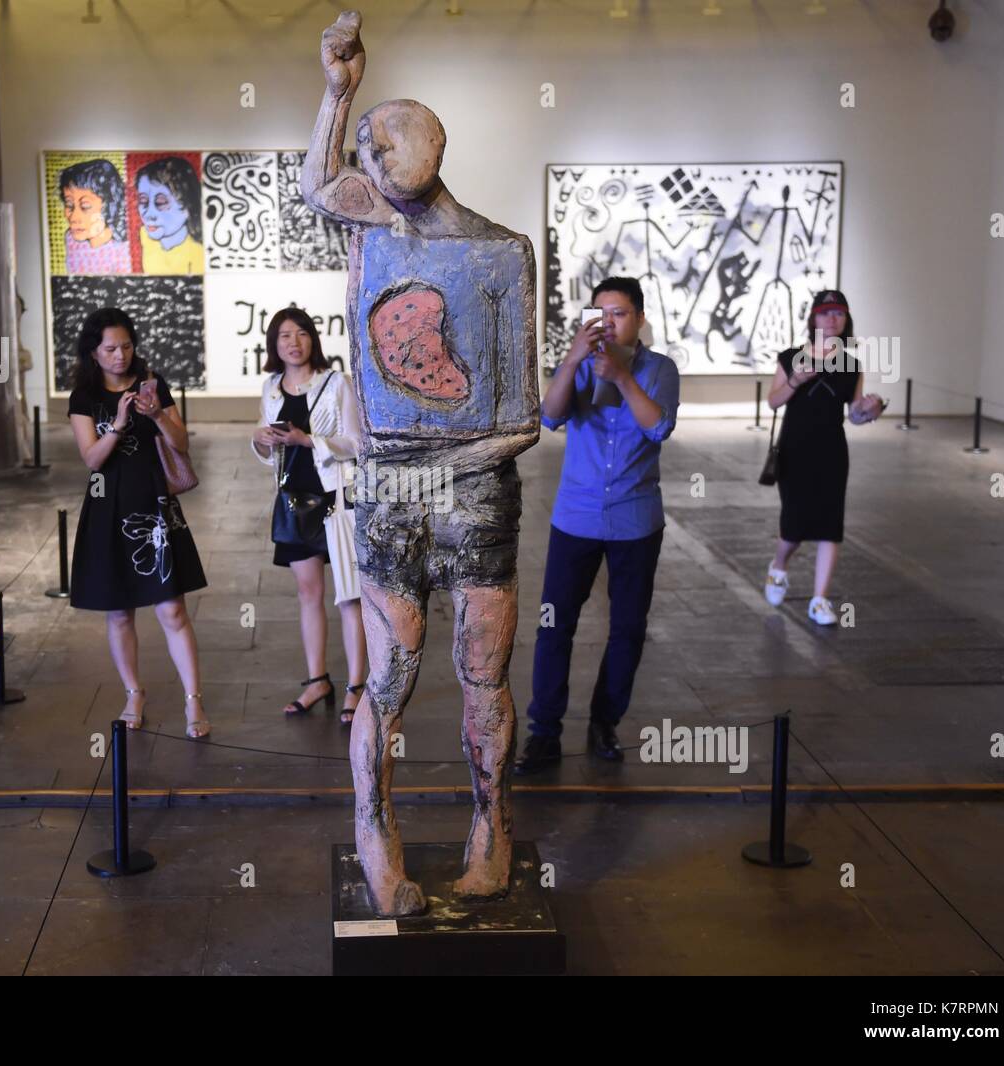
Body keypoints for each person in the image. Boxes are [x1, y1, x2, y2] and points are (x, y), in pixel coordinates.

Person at [302, 11, 540, 915]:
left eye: (371, 155)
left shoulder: (496, 254)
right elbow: (316, 182)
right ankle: (376, 826)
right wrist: (337, 90)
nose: (356, 174)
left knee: (482, 676)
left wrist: (440, 467)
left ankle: (492, 828)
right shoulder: (370, 228)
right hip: (393, 489)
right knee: (390, 674)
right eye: (359, 155)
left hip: (471, 490)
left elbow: (520, 419)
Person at [513, 276, 680, 775]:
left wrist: (624, 376)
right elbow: (550, 416)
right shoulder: (581, 365)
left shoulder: (660, 370)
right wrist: (571, 361)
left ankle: (604, 722)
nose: (608, 322)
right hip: (576, 518)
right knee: (553, 626)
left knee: (627, 629)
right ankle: (544, 732)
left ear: (640, 319)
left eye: (620, 313)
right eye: (600, 312)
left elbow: (659, 426)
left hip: (635, 520)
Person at [67, 307, 210, 737]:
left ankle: (193, 702)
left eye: (126, 345)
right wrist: (119, 425)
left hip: (153, 507)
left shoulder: (152, 384)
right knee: (119, 613)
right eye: (110, 348)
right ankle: (133, 692)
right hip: (108, 508)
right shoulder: (84, 397)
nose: (120, 355)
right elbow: (92, 458)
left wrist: (156, 414)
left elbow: (182, 443)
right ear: (93, 352)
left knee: (172, 609)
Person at [252, 307, 367, 724]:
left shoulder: (337, 384)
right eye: (284, 336)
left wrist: (309, 440)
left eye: (301, 334)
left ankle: (357, 686)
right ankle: (317, 680)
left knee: (350, 595)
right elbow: (270, 458)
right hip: (293, 501)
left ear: (313, 340)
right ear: (274, 345)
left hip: (336, 498)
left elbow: (356, 442)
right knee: (308, 593)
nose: (293, 342)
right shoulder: (270, 387)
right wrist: (261, 439)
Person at [763, 289, 885, 625]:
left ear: (846, 320)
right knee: (794, 524)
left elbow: (854, 415)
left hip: (832, 450)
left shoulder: (851, 365)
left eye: (839, 313)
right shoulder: (790, 357)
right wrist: (796, 380)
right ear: (813, 317)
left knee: (831, 526)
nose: (832, 319)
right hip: (794, 449)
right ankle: (779, 566)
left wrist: (870, 411)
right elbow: (773, 402)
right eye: (825, 312)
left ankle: (820, 600)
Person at [60, 159, 130, 274]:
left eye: (85, 206)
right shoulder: (72, 241)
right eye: (69, 204)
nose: (73, 217)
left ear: (109, 205)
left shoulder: (123, 250)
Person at [135, 157, 204, 274]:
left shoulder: (198, 253)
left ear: (187, 207)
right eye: (143, 201)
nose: (149, 214)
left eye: (161, 203)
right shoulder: (145, 236)